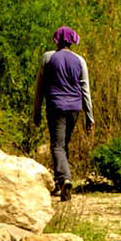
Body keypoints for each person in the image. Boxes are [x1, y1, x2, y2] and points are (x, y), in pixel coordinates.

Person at [31, 26, 95, 199]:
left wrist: (36, 111)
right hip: (75, 107)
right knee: (63, 144)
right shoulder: (80, 61)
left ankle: (65, 178)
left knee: (57, 145)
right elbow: (85, 90)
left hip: (56, 106)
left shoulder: (48, 57)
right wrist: (90, 118)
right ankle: (61, 185)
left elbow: (40, 88)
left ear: (57, 40)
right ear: (73, 41)